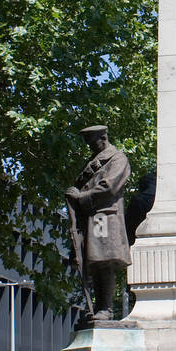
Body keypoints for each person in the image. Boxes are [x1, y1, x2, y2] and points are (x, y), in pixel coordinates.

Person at [66, 124, 132, 317]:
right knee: (94, 261)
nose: (90, 147)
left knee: (104, 260)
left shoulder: (117, 159)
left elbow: (108, 187)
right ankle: (98, 307)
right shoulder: (94, 161)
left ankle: (106, 308)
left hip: (104, 216)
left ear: (103, 138)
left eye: (92, 142)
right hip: (92, 217)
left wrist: (81, 197)